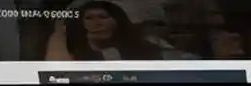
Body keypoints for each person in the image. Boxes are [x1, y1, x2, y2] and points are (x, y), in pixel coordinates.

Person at [44, 1, 194, 61]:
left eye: (103, 17)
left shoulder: (152, 48)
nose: (97, 24)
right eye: (89, 18)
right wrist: (58, 37)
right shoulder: (68, 48)